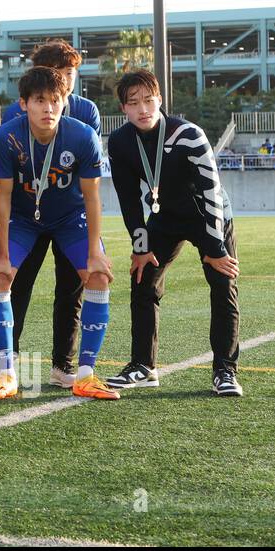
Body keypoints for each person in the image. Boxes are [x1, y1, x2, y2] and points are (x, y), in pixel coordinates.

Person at [0, 66, 119, 401]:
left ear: (64, 101)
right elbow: (1, 196)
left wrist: (95, 250)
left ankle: (85, 374)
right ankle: (6, 374)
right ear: (24, 103)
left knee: (98, 276)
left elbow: (92, 197)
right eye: (40, 100)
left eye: (55, 100)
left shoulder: (82, 135)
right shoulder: (7, 136)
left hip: (70, 217)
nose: (48, 108)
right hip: (22, 217)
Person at [105, 70, 243, 396]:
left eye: (149, 100)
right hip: (164, 216)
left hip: (208, 215)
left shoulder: (188, 134)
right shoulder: (121, 142)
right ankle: (143, 365)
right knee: (143, 280)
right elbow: (128, 202)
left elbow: (212, 192)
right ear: (123, 108)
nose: (143, 109)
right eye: (134, 103)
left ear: (160, 100)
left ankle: (225, 370)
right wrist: (140, 247)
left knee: (223, 285)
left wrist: (214, 248)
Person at [0, 39, 101, 388]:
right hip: (26, 212)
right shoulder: (15, 115)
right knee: (18, 283)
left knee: (70, 289)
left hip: (68, 213)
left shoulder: (86, 113)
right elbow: (5, 180)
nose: (64, 80)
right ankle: (8, 362)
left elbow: (89, 178)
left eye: (70, 73)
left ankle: (64, 364)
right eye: (58, 73)